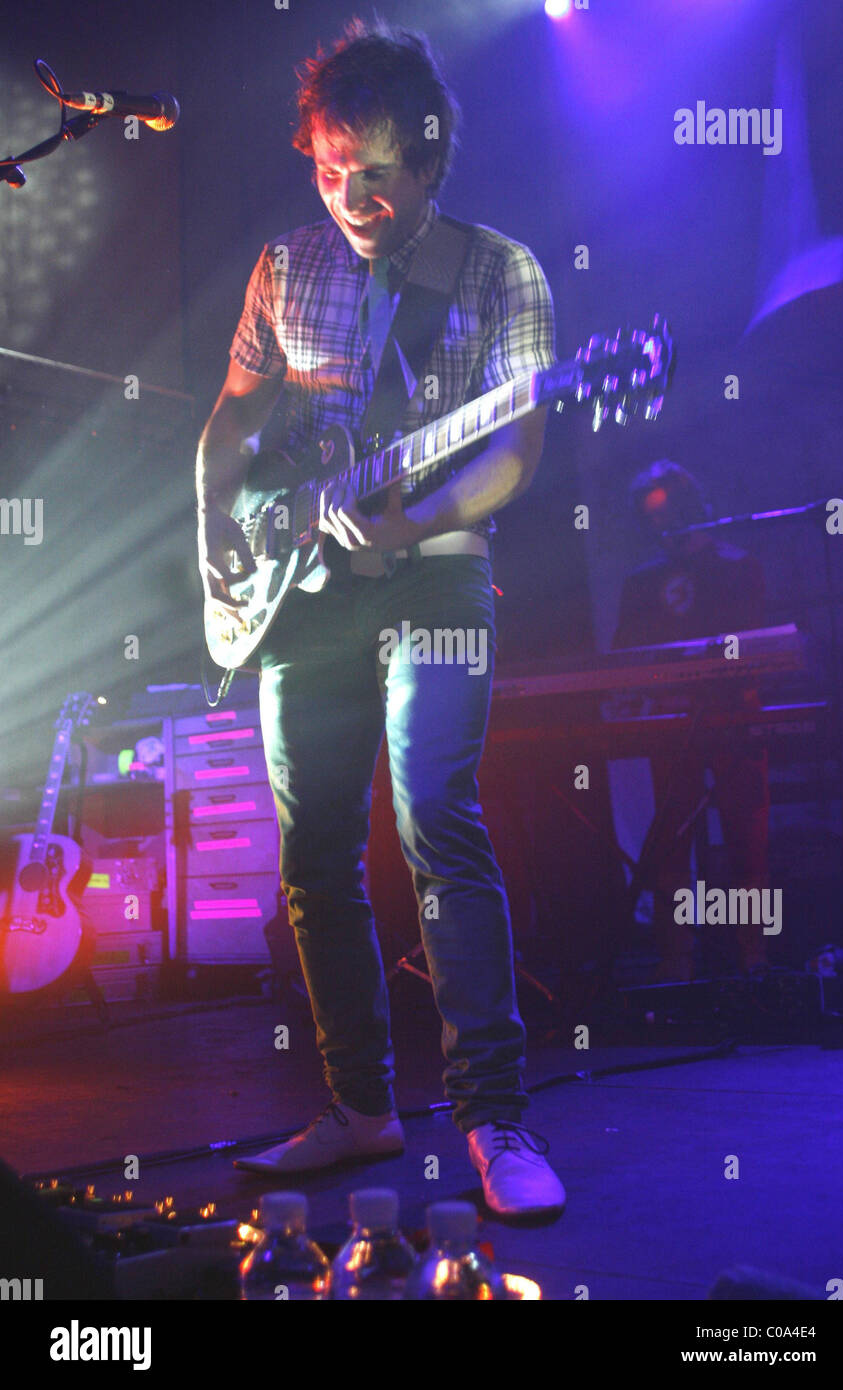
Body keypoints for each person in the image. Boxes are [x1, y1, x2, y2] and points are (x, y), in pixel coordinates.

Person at [195, 19, 565, 1218]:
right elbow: (234, 420)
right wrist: (211, 526)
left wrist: (408, 526)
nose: (348, 195)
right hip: (299, 589)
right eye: (325, 168)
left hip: (437, 571)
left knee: (433, 813)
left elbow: (513, 453)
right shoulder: (282, 264)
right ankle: (360, 1107)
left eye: (375, 171)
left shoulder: (499, 268)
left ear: (429, 154)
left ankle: (494, 1119)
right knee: (311, 851)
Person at [612, 460, 771, 981]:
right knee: (672, 842)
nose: (662, 525)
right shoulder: (641, 583)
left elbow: (765, 647)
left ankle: (754, 958)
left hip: (734, 720)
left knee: (747, 838)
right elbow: (624, 657)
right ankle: (677, 960)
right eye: (650, 516)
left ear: (692, 506)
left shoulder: (736, 565)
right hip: (673, 726)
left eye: (668, 511)